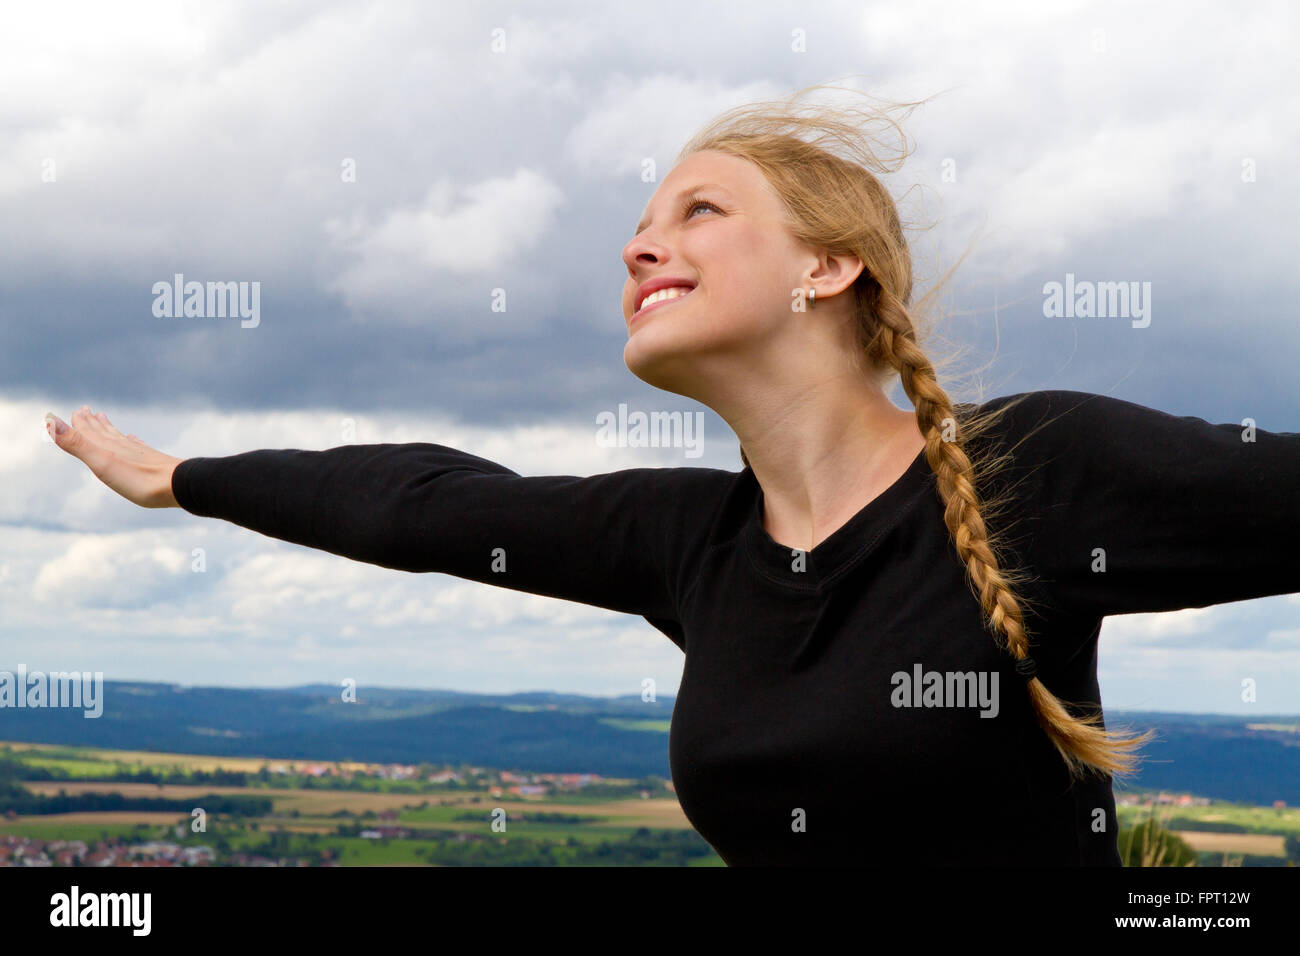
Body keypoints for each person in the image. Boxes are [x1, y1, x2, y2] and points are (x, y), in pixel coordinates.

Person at [45, 85, 1299, 866]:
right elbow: (430, 502)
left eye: (699, 210)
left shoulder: (1040, 470)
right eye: (643, 221)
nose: (641, 241)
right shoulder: (690, 540)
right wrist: (189, 477)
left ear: (828, 268)